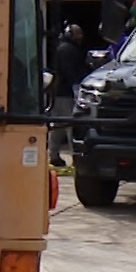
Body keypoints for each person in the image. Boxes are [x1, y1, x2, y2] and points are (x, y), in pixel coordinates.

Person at [48, 23, 91, 167]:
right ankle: (76, 158)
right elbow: (71, 72)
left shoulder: (64, 48)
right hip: (66, 94)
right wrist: (77, 90)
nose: (81, 36)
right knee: (71, 126)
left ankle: (53, 155)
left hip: (57, 93)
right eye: (78, 33)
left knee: (58, 126)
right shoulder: (68, 50)